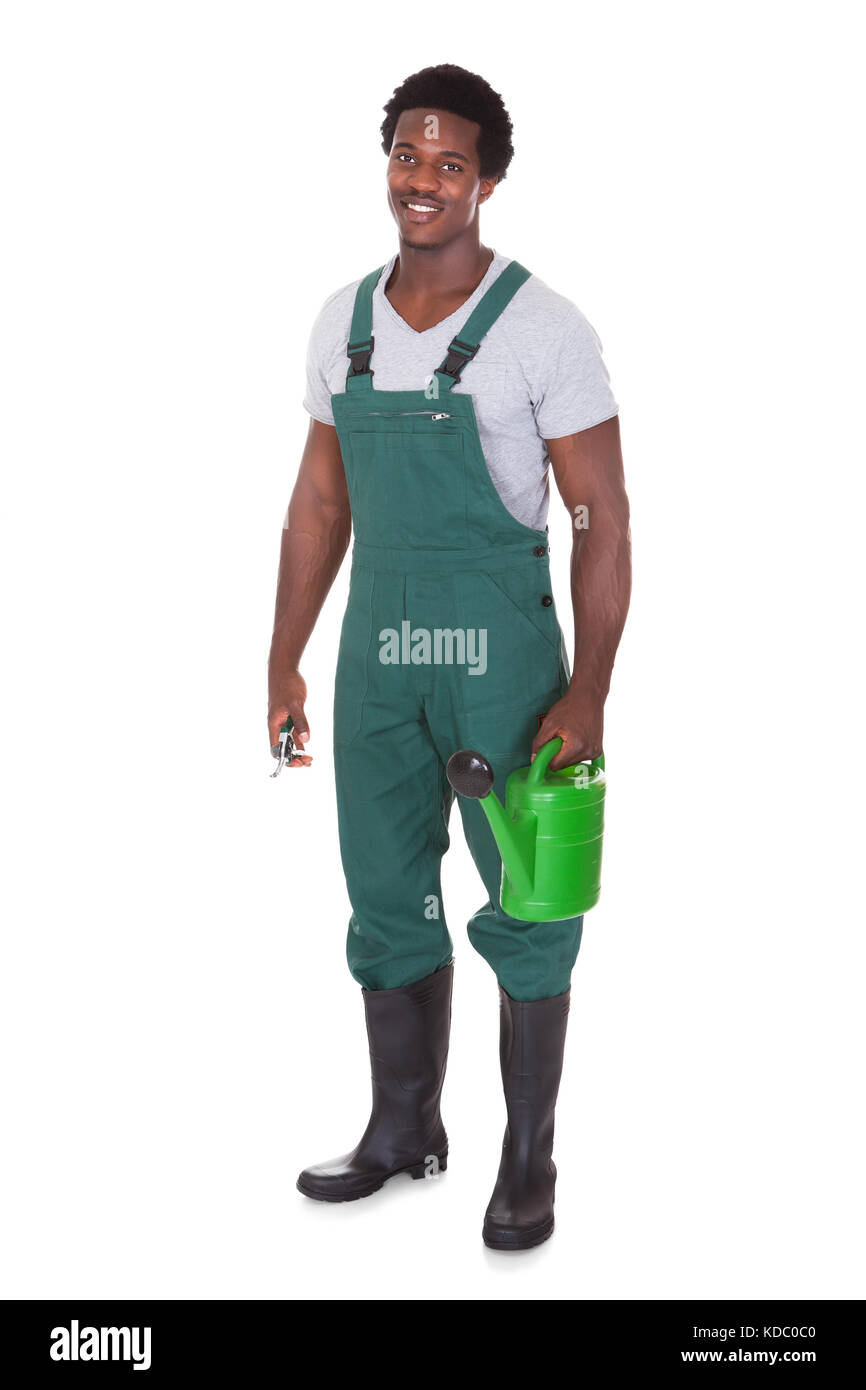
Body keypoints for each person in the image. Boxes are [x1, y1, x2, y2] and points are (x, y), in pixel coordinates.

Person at [267, 63, 631, 1250]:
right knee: (384, 896)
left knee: (531, 902)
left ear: (488, 180)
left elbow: (602, 519)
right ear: (389, 162)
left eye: (449, 165)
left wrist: (586, 686)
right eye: (407, 158)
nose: (423, 182)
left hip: (500, 653)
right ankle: (402, 1129)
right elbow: (320, 504)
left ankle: (529, 1160)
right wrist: (284, 658)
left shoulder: (544, 328)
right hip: (378, 649)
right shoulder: (344, 321)